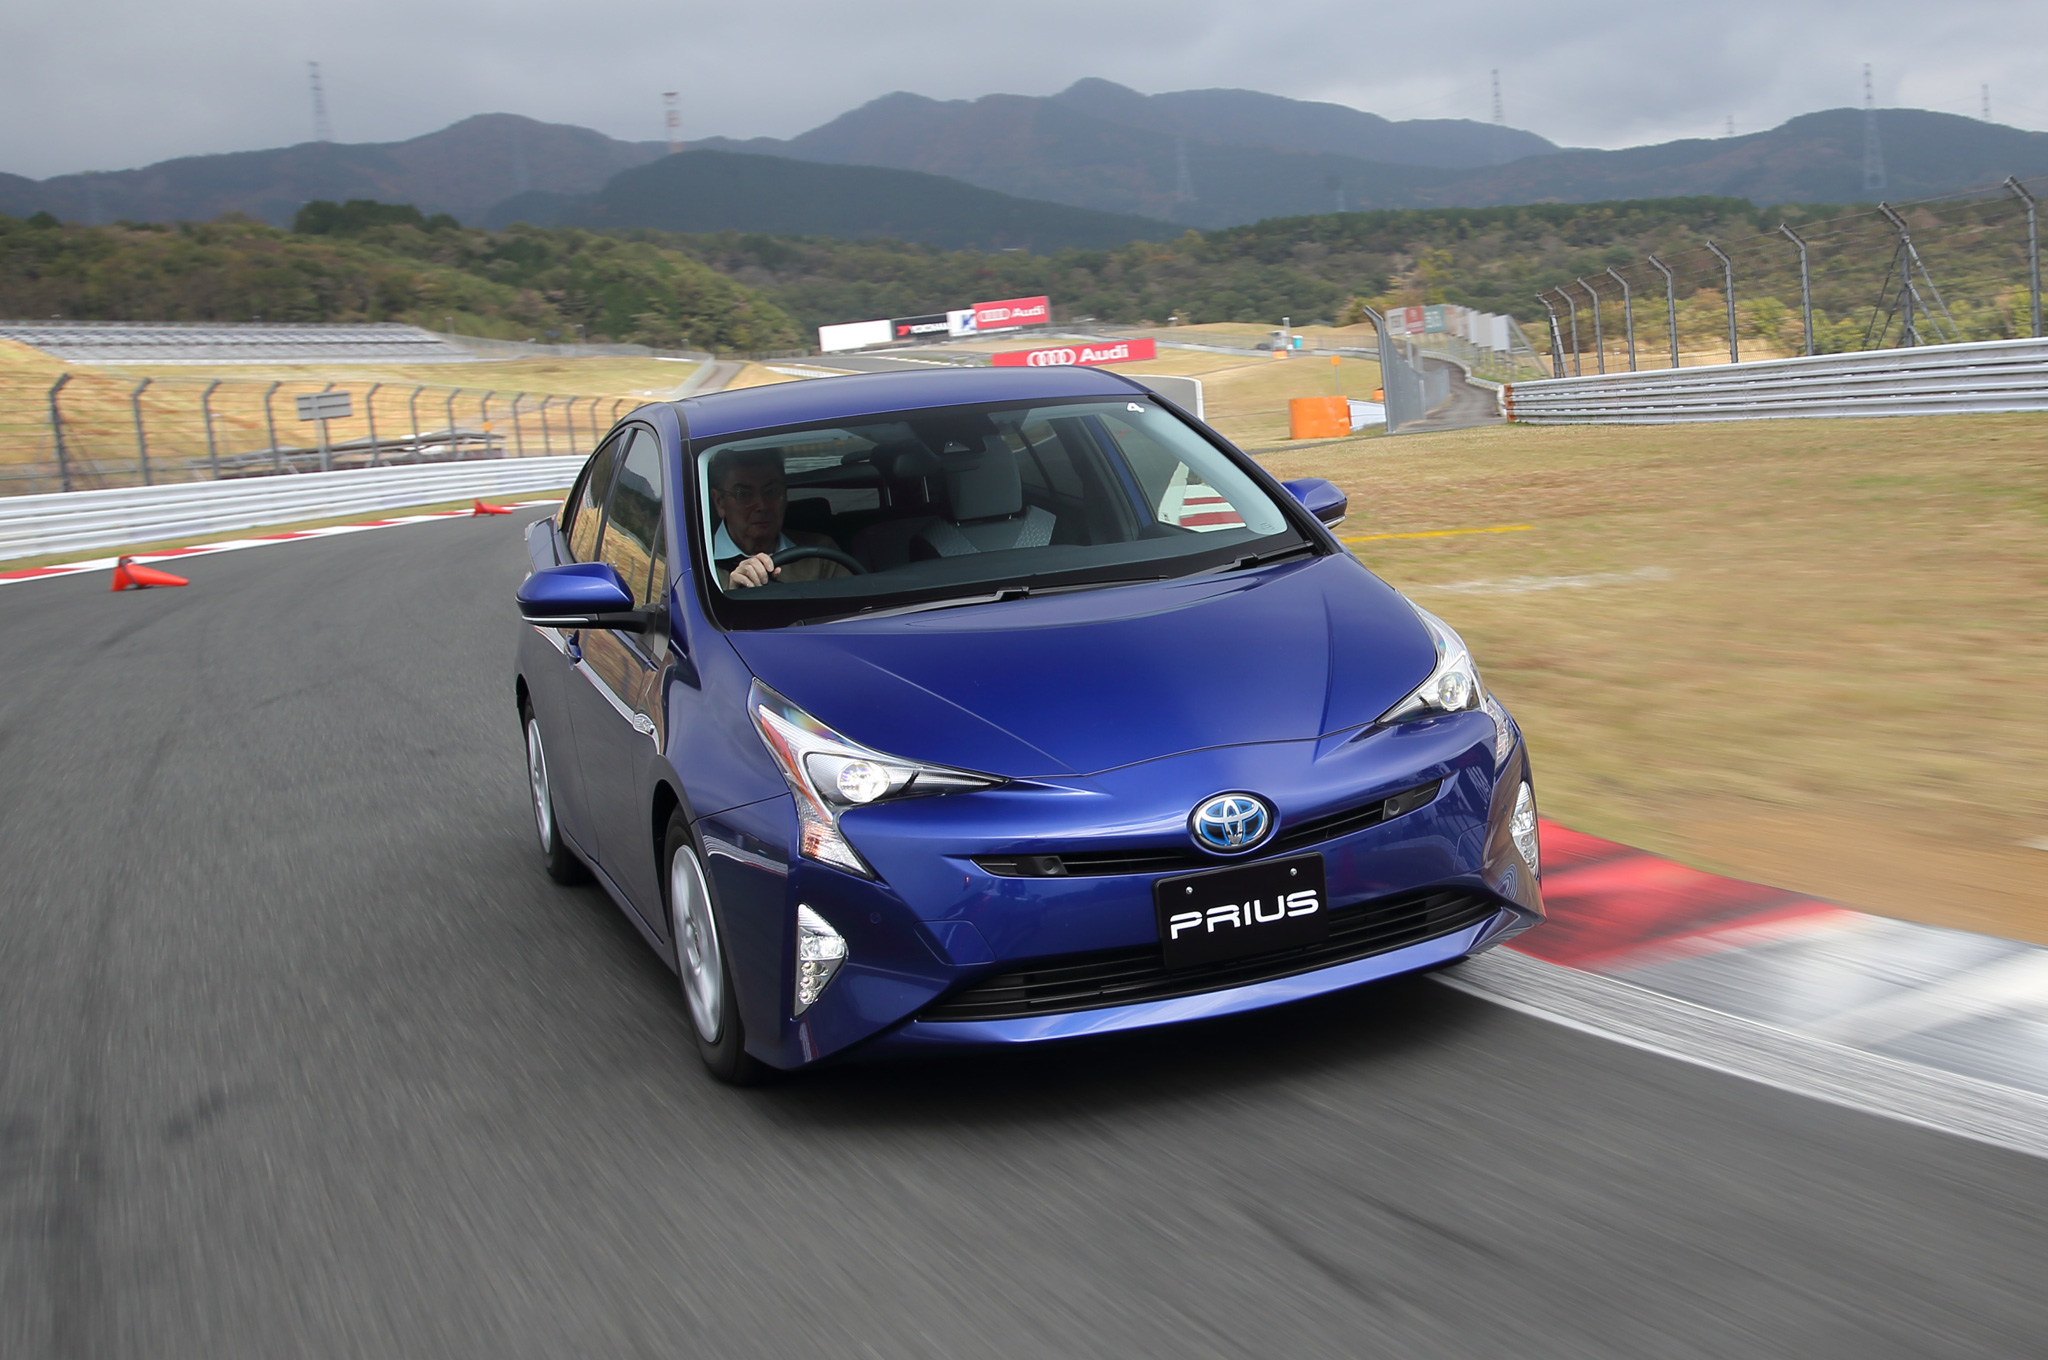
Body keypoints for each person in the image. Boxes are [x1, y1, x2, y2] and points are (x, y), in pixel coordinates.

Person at [708, 446, 852, 589]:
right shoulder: (697, 564)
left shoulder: (819, 553)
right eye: (744, 494)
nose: (762, 505)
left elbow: (854, 606)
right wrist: (732, 598)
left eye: (771, 491)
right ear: (719, 502)